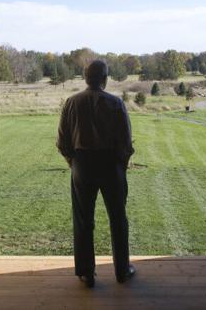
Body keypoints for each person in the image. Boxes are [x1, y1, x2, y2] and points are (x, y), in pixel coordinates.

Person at [56, 59, 136, 288]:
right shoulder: (116, 104)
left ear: (85, 78)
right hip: (110, 164)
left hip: (82, 164)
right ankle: (122, 270)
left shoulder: (71, 103)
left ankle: (85, 273)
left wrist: (74, 162)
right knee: (118, 218)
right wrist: (120, 164)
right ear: (105, 79)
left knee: (83, 220)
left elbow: (62, 142)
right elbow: (125, 143)